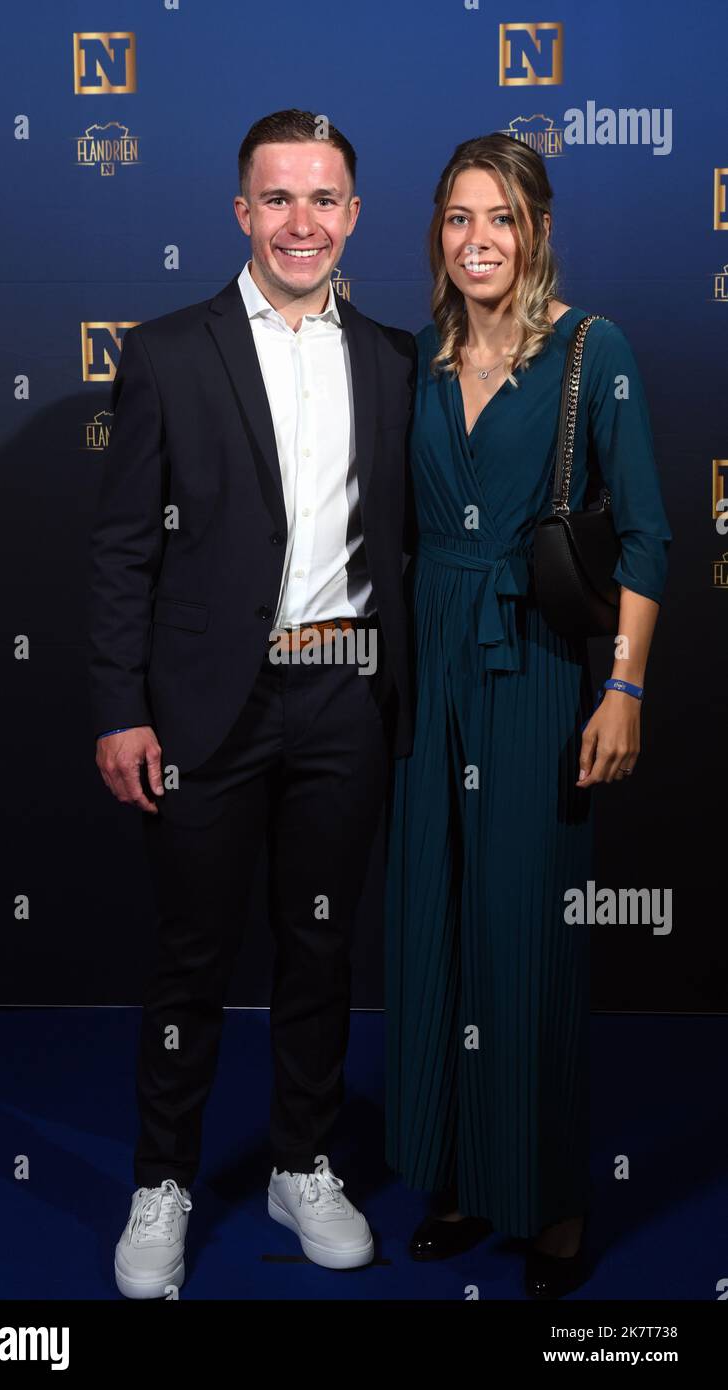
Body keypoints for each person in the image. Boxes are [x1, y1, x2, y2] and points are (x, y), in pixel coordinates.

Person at [87, 108, 416, 1297]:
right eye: (278, 198)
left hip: (343, 700)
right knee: (192, 955)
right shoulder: (171, 350)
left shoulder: (393, 359)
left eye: (324, 199)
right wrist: (120, 708)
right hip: (207, 708)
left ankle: (302, 1160)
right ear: (241, 212)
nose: (301, 222)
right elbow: (126, 548)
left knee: (321, 945)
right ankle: (163, 1181)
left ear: (354, 217)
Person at [383, 133, 672, 1298]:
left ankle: (548, 1198)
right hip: (427, 659)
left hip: (542, 664)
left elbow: (651, 533)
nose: (478, 241)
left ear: (537, 229)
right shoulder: (414, 357)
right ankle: (451, 1176)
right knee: (433, 921)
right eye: (458, 220)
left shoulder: (592, 352)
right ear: (437, 236)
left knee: (525, 936)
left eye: (499, 217)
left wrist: (625, 684)